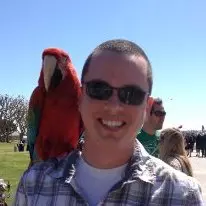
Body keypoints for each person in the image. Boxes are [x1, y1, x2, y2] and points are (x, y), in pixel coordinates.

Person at [13, 39, 204, 205]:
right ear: (81, 98)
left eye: (131, 94)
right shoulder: (32, 185)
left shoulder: (183, 195)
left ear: (147, 106)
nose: (114, 106)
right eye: (99, 89)